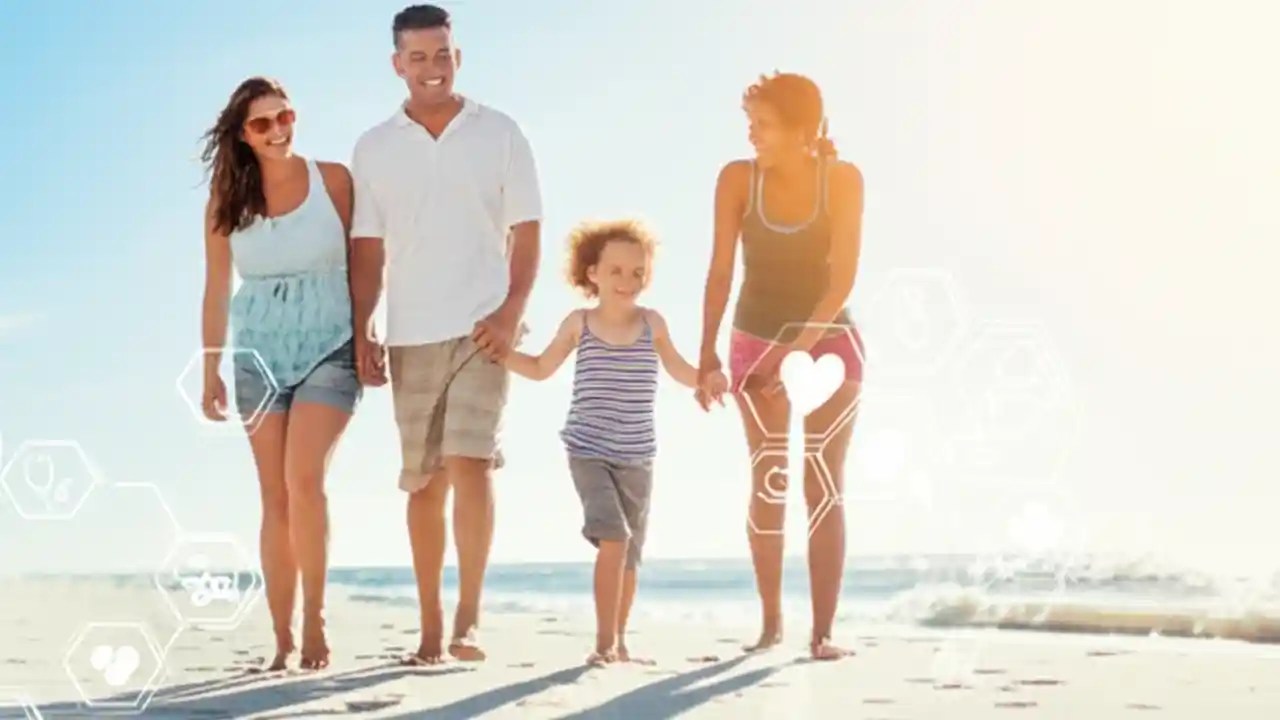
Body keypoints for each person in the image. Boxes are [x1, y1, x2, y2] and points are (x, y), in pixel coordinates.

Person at [347, 4, 542, 664]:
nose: (432, 67)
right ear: (397, 64)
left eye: (442, 54)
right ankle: (429, 628)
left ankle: (467, 621)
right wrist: (363, 326)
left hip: (484, 325)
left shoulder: (501, 132)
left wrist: (511, 309)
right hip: (410, 332)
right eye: (418, 57)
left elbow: (528, 229)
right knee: (424, 483)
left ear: (458, 57)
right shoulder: (373, 147)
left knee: (472, 463)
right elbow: (368, 248)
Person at [695, 72, 866, 661]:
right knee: (769, 476)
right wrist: (706, 353)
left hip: (829, 339)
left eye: (762, 124)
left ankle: (822, 633)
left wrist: (793, 353)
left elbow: (841, 280)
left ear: (802, 130)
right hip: (755, 338)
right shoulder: (737, 179)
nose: (752, 134)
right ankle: (770, 625)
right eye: (751, 123)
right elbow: (721, 271)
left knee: (824, 480)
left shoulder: (842, 180)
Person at [199, 77, 361, 671]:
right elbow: (217, 290)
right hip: (258, 358)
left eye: (284, 116)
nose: (277, 130)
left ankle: (315, 620)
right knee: (274, 496)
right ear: (243, 135)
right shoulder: (226, 202)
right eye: (262, 123)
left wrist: (370, 330)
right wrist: (210, 367)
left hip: (331, 344)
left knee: (304, 481)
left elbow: (367, 261)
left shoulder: (334, 180)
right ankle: (282, 638)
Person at [505, 219, 699, 666]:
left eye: (637, 272)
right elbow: (540, 368)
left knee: (630, 553)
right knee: (614, 536)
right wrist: (500, 354)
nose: (627, 280)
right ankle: (604, 643)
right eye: (616, 271)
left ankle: (620, 641)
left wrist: (708, 380)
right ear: (592, 273)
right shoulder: (580, 323)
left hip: (638, 454)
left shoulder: (653, 324)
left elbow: (679, 368)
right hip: (588, 448)